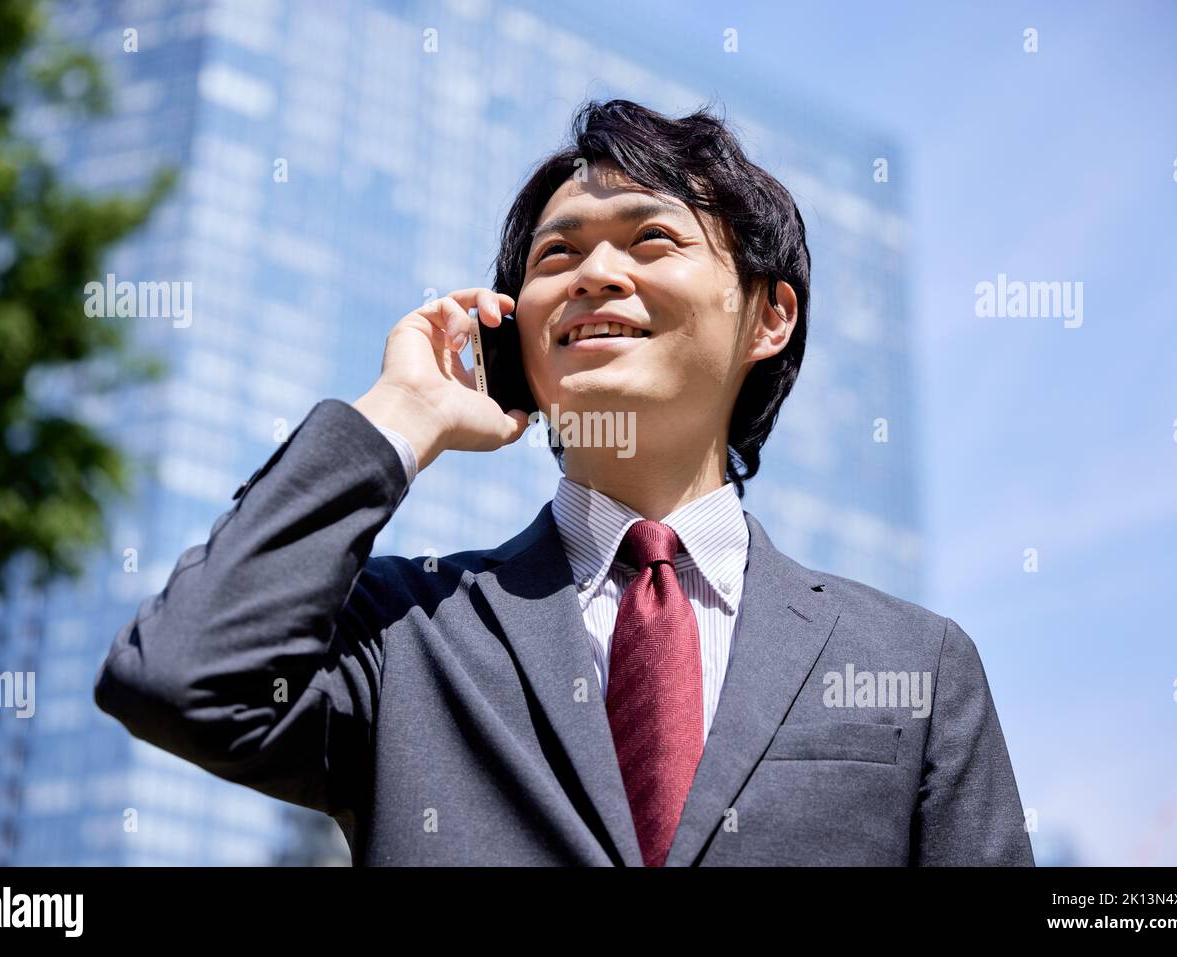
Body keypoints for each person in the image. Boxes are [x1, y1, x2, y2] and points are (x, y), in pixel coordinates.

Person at [94, 98, 1034, 866]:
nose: (596, 274)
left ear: (768, 316)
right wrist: (400, 416)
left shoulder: (917, 660)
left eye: (651, 239)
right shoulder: (410, 632)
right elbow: (179, 677)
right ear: (515, 341)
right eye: (557, 255)